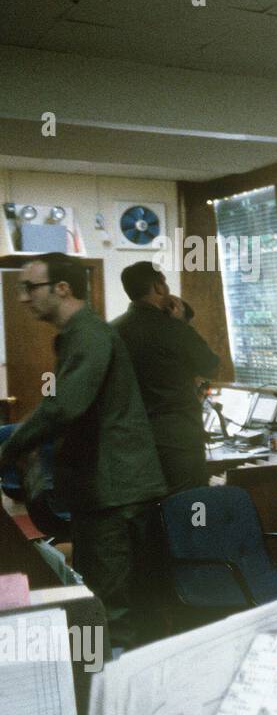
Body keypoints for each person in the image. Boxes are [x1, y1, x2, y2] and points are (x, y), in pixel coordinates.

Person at [0, 253, 168, 644]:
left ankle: (101, 693)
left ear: (62, 289)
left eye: (30, 287)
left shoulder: (89, 334)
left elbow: (65, 405)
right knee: (108, 600)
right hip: (105, 489)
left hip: (111, 493)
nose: (23, 298)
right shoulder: (80, 335)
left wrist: (8, 448)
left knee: (104, 606)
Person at [111, 261, 220, 493]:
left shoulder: (112, 331)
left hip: (131, 437)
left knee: (147, 507)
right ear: (158, 287)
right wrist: (182, 326)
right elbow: (211, 366)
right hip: (178, 437)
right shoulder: (174, 329)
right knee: (189, 505)